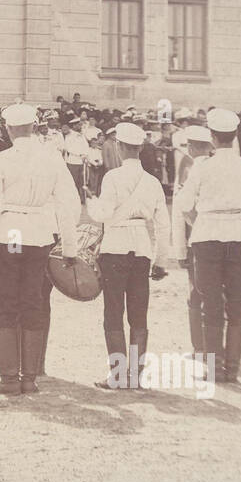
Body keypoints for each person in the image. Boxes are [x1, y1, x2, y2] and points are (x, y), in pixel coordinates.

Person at [0, 102, 81, 396]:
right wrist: (70, 248)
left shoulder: (3, 159)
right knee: (33, 302)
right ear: (34, 127)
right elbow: (69, 205)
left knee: (4, 303)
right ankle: (29, 379)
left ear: (8, 129)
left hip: (8, 235)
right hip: (39, 236)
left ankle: (8, 379)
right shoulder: (53, 158)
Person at [175, 108, 241, 382]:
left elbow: (184, 205)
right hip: (237, 233)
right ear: (234, 136)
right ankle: (232, 368)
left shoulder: (202, 167)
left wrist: (199, 219)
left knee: (210, 301)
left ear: (212, 137)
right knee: (236, 300)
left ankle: (213, 367)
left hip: (207, 234)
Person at [92, 121, 170, 390]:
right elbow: (162, 224)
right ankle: (136, 375)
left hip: (115, 246)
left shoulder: (112, 177)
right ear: (139, 148)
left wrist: (92, 203)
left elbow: (102, 214)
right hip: (142, 249)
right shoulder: (152, 182)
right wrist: (161, 260)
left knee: (113, 311)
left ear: (119, 146)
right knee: (139, 313)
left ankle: (117, 375)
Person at [171, 125, 213, 363]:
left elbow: (181, 210)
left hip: (196, 238)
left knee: (196, 294)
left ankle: (201, 348)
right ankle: (214, 347)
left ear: (193, 146)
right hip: (223, 238)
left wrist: (179, 248)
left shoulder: (188, 167)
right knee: (218, 294)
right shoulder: (221, 167)